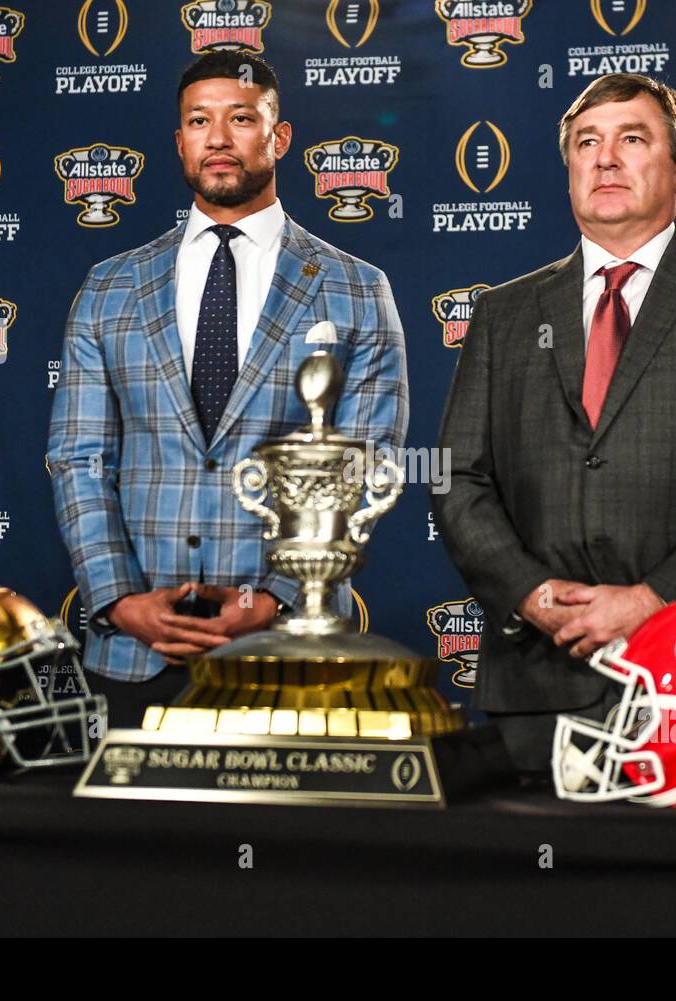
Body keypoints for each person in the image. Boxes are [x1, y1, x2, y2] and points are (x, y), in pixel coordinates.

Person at [431, 73, 676, 776]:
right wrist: (533, 595)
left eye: (632, 139)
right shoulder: (502, 314)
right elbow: (458, 481)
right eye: (586, 143)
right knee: (533, 885)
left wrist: (652, 603)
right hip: (535, 676)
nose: (605, 159)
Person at [48, 53, 408, 726]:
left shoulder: (357, 288)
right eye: (198, 121)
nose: (218, 138)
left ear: (279, 137)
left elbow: (368, 459)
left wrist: (273, 596)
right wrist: (122, 601)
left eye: (241, 118)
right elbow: (78, 459)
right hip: (132, 654)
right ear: (179, 141)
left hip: (287, 648)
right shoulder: (109, 288)